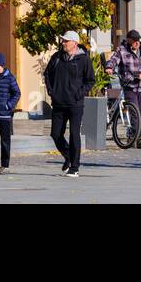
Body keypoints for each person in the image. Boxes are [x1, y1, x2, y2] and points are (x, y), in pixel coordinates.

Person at [44, 30, 95, 177]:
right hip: (59, 103)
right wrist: (51, 91)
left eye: (66, 41)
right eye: (63, 41)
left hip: (75, 104)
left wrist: (80, 93)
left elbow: (90, 81)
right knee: (55, 134)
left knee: (74, 134)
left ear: (74, 43)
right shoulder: (57, 57)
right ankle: (68, 156)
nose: (63, 43)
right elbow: (47, 74)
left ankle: (75, 167)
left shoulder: (84, 59)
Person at [106, 30, 141, 148]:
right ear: (129, 40)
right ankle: (139, 137)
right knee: (134, 111)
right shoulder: (122, 50)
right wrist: (109, 67)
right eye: (134, 40)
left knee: (140, 114)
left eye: (138, 40)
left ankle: (133, 136)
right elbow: (113, 60)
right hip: (129, 85)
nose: (137, 43)